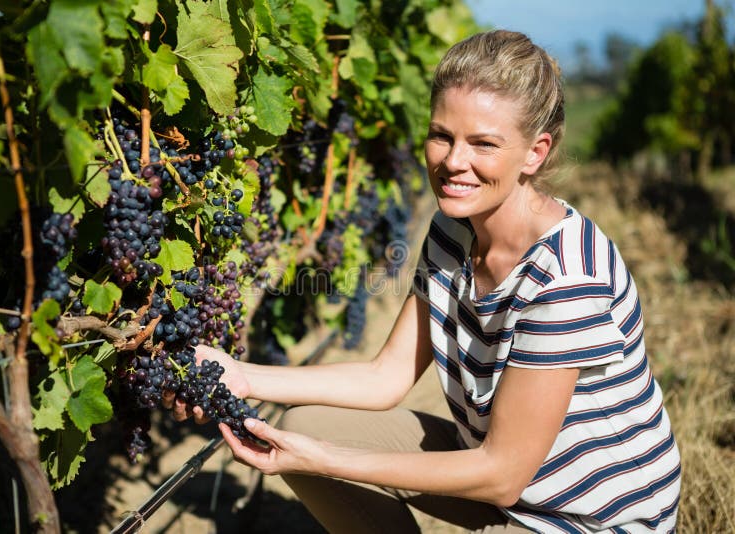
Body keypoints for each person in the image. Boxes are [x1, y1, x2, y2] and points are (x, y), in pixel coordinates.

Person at [166, 30, 681, 533]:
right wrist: (242, 375)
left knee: (316, 449)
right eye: (442, 135)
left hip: (588, 517)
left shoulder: (568, 276)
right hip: (510, 479)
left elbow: (501, 476)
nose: (454, 162)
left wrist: (323, 460)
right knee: (305, 424)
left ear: (535, 152)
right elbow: (386, 376)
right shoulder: (453, 229)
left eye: (484, 143)